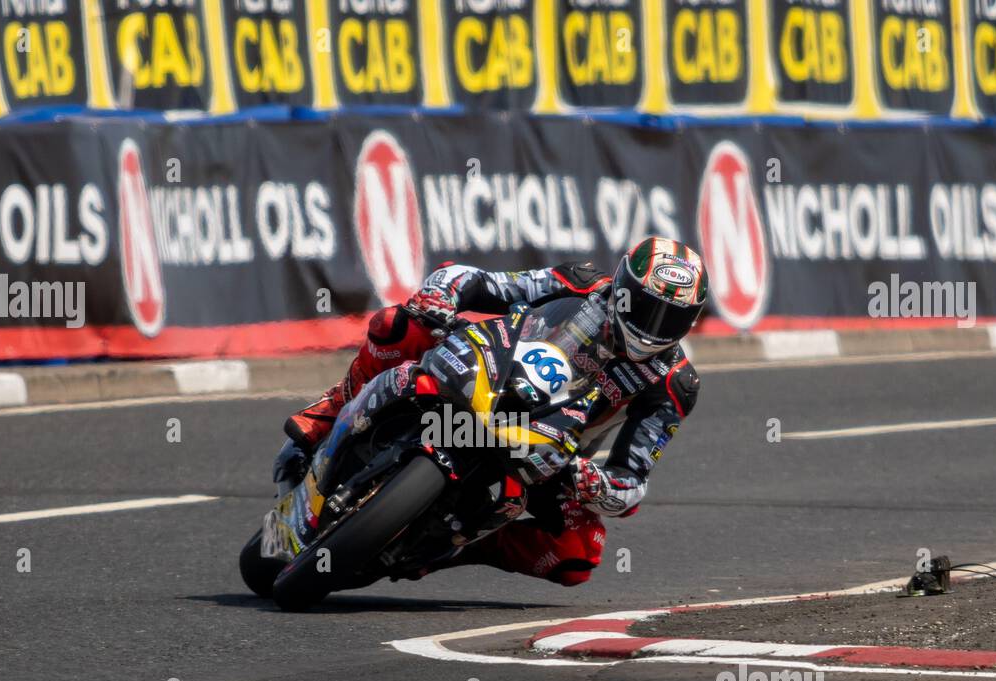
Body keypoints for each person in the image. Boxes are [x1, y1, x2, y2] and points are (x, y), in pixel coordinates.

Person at [281, 237, 708, 587]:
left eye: (672, 318)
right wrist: (440, 295)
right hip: (489, 371)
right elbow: (483, 282)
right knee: (397, 325)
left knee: (579, 554)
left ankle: (453, 546)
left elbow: (631, 481)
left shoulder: (674, 384)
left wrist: (592, 482)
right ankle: (329, 410)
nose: (655, 326)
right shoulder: (580, 282)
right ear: (623, 289)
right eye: (648, 309)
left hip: (551, 450)